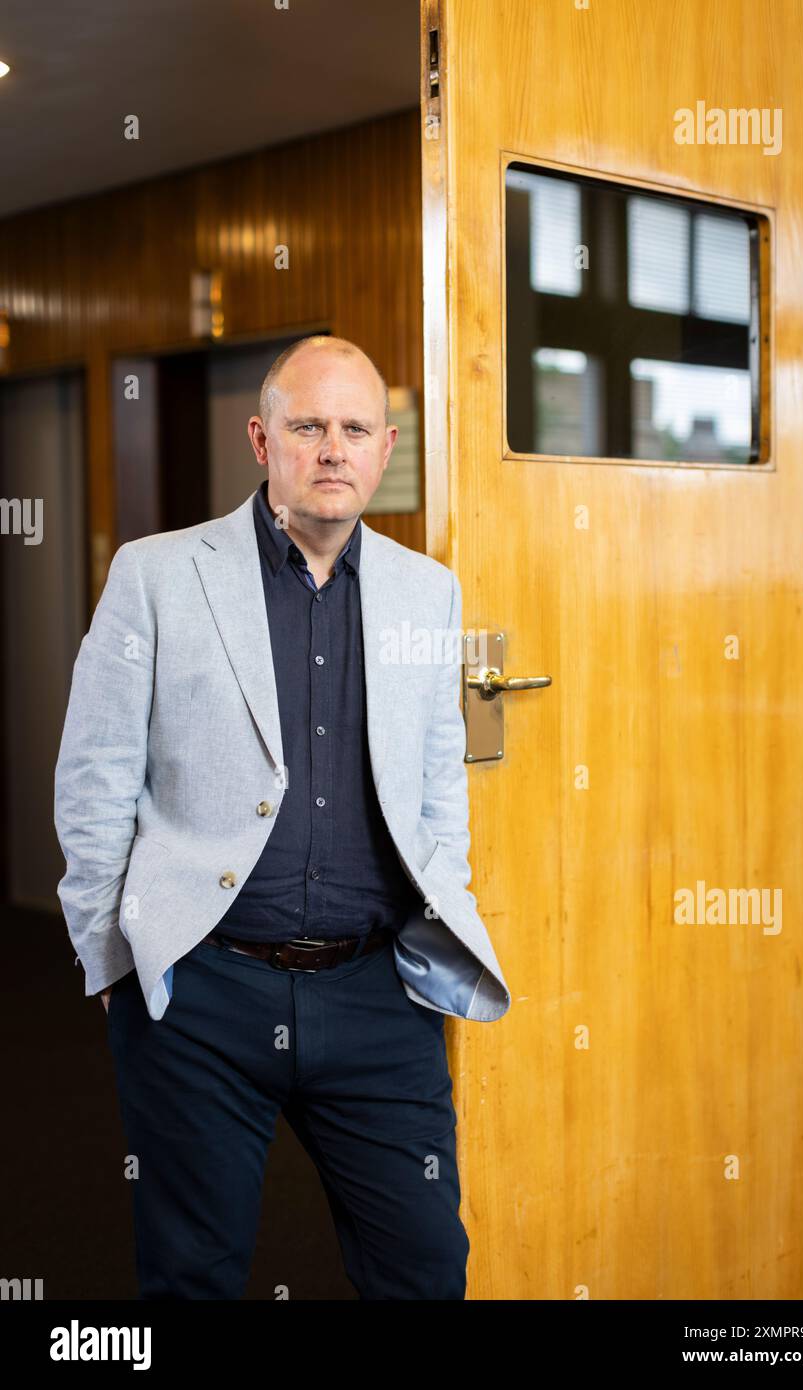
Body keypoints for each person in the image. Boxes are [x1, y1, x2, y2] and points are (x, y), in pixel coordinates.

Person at [54, 334, 510, 1300]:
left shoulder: (427, 593)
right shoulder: (158, 575)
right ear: (263, 440)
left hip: (376, 994)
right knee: (193, 1275)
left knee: (425, 1270)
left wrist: (444, 907)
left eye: (353, 429)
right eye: (308, 426)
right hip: (203, 993)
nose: (331, 449)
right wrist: (115, 953)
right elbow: (94, 777)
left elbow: (437, 790)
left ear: (387, 448)